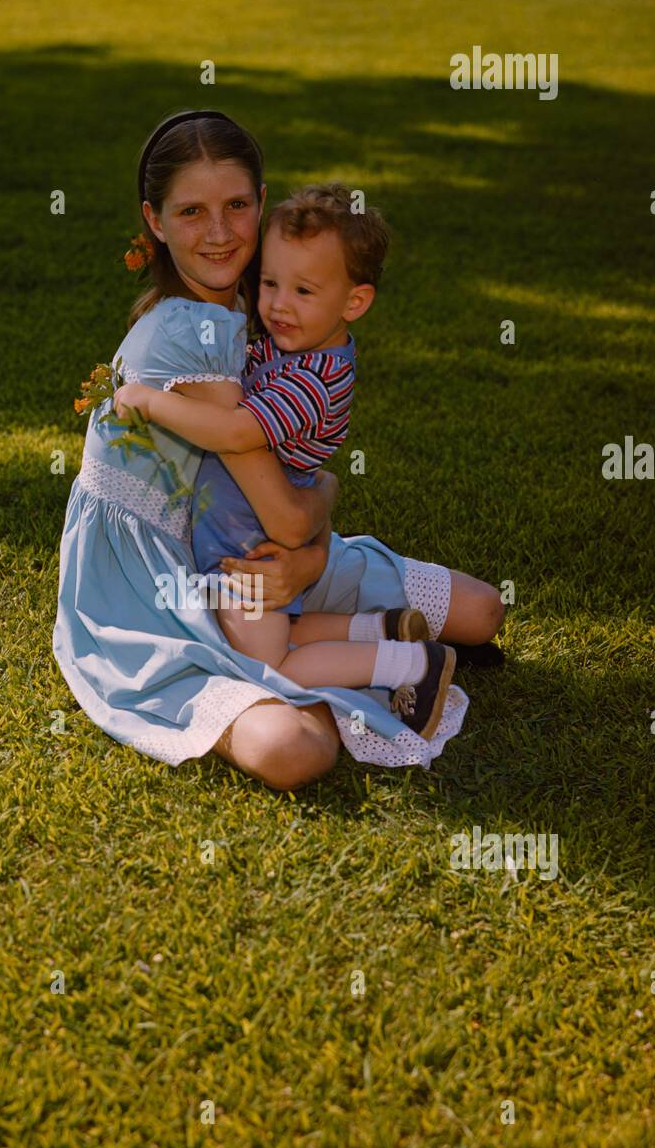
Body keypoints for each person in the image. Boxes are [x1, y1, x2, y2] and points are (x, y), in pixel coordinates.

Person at [52, 109, 503, 790]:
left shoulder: (266, 300)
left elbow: (292, 505)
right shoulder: (193, 334)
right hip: (161, 577)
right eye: (191, 211)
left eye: (236, 206)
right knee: (297, 750)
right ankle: (367, 663)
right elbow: (291, 516)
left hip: (249, 536)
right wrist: (312, 531)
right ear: (155, 220)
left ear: (262, 204)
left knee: (483, 611)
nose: (219, 232)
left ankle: (368, 638)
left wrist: (310, 549)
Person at [112, 181, 455, 742]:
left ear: (354, 303)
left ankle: (411, 665)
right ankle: (379, 630)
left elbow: (235, 432)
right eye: (270, 283)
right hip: (244, 522)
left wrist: (151, 401)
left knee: (270, 664)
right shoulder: (294, 345)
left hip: (248, 536)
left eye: (302, 290)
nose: (277, 305)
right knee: (278, 633)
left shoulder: (312, 381)